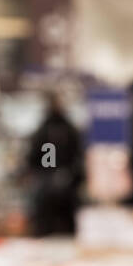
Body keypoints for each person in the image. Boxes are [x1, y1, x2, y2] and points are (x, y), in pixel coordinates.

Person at [25, 90, 84, 236]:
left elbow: (47, 157)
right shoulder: (54, 129)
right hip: (54, 185)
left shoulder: (54, 129)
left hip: (58, 186)